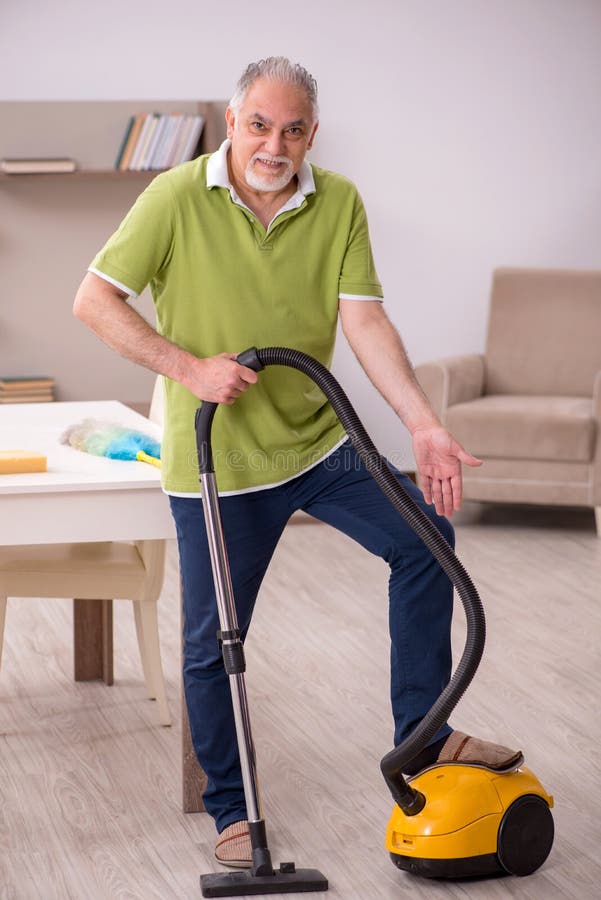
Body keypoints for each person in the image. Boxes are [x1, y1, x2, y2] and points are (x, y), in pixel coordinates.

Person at [73, 56, 523, 868]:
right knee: (216, 639)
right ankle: (230, 807)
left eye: (291, 130)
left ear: (312, 134)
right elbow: (94, 300)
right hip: (219, 459)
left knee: (427, 546)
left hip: (318, 444)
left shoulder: (337, 200)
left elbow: (365, 321)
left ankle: (423, 738)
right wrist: (188, 369)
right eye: (258, 125)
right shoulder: (174, 197)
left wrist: (422, 425)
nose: (273, 146)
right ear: (232, 122)